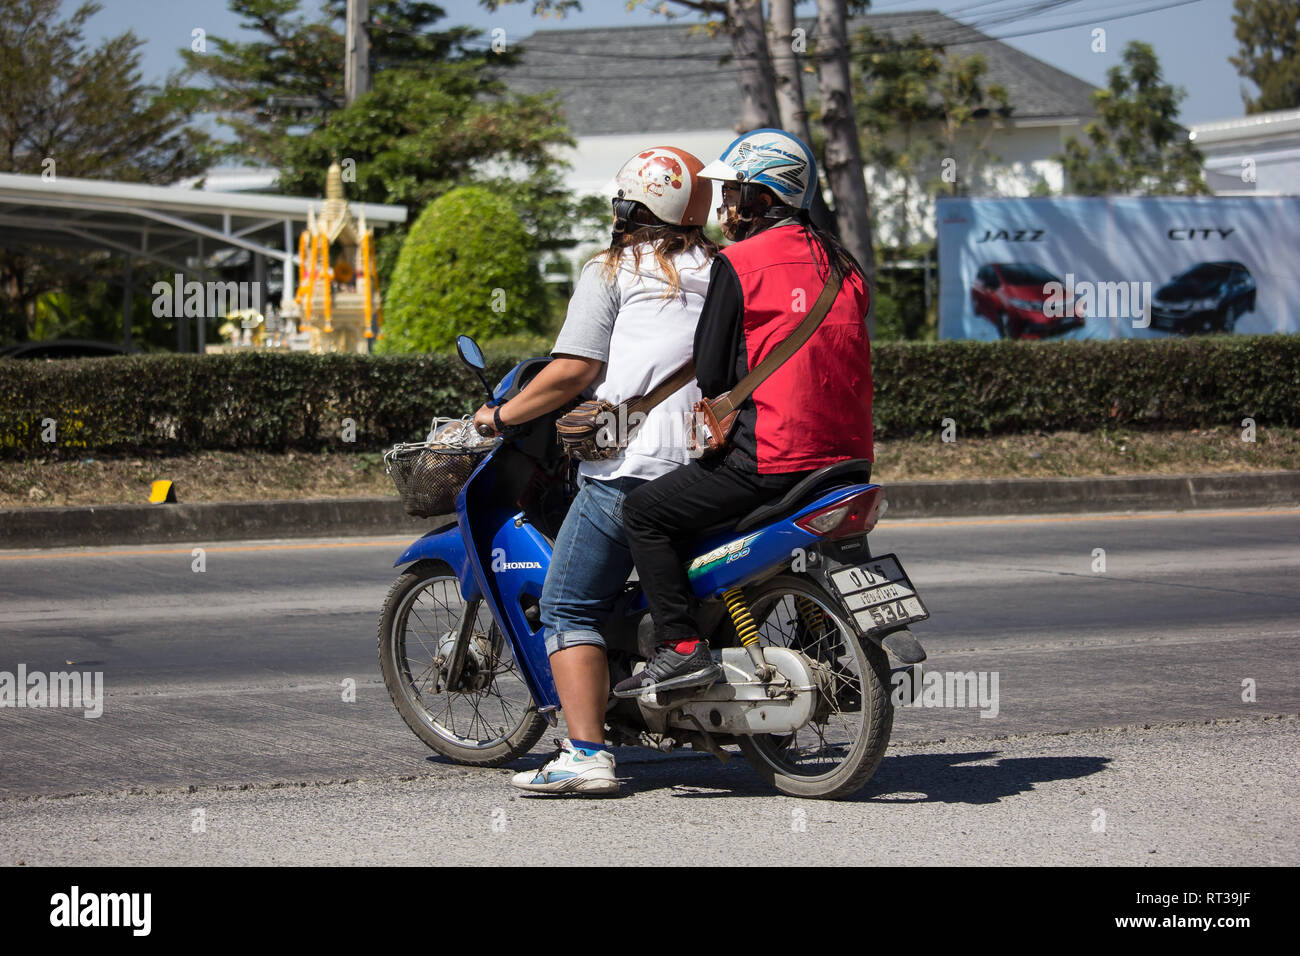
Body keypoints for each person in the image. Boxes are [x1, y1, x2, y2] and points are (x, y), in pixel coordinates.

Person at [470, 147, 717, 794]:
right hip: (714, 465)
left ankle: (585, 754)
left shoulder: (613, 269)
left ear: (629, 207)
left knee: (568, 603)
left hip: (634, 465)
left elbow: (574, 371)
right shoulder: (723, 269)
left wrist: (499, 417)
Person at [616, 128, 874, 698]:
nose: (726, 208)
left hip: (772, 457)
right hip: (847, 461)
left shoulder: (740, 261)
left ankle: (680, 648)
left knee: (644, 513)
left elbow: (711, 371)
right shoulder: (844, 264)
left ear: (764, 198)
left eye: (735, 194)